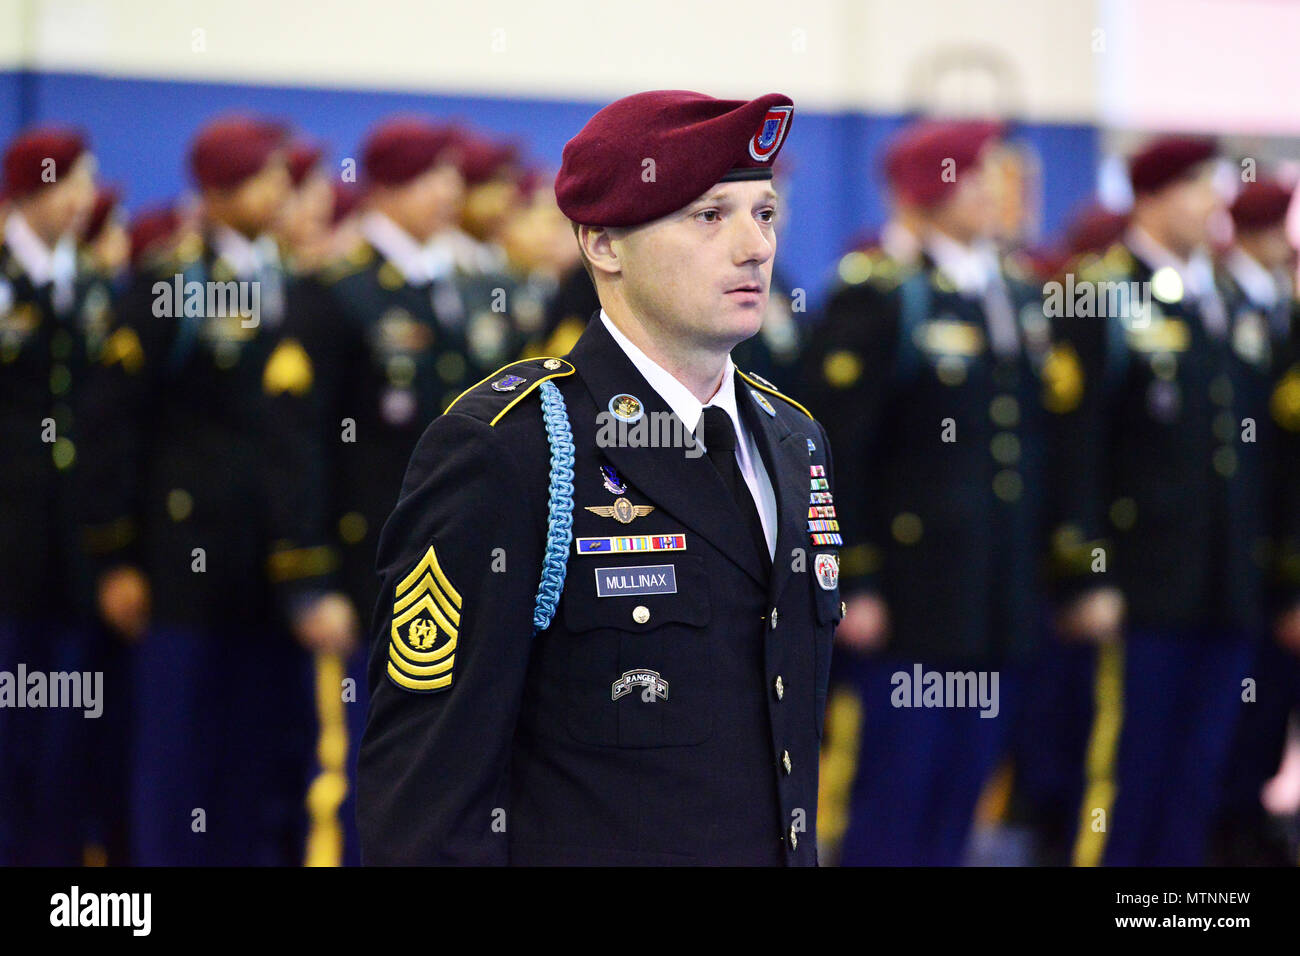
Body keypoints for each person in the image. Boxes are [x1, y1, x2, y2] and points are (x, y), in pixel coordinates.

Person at [358, 89, 840, 865]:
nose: (754, 246)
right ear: (604, 245)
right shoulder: (512, 448)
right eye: (710, 216)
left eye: (765, 213)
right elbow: (426, 793)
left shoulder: (792, 439)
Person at [804, 119, 1097, 865]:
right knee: (898, 787)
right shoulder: (881, 296)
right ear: (928, 189)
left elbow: (1037, 440)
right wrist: (855, 576)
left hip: (996, 592)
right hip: (911, 594)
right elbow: (838, 455)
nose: (992, 192)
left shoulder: (1015, 291)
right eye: (972, 176)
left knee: (966, 783)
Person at [83, 114, 358, 865]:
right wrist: (114, 556)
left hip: (274, 570)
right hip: (185, 568)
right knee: (182, 753)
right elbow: (110, 424)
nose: (282, 189)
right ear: (220, 187)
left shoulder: (299, 288)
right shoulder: (171, 286)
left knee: (275, 748)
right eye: (265, 175)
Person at [1047, 136, 1299, 865]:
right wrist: (1086, 571)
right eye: (1195, 189)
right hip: (1140, 584)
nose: (1212, 204)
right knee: (1124, 776)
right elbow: (1077, 446)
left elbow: (1258, 455)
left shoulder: (1222, 298)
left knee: (1197, 775)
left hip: (1223, 582)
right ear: (1151, 197)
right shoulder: (1100, 292)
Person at [0, 125, 105, 864]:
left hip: (74, 542)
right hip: (8, 537)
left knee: (70, 719)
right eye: (68, 183)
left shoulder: (93, 282)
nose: (81, 200)